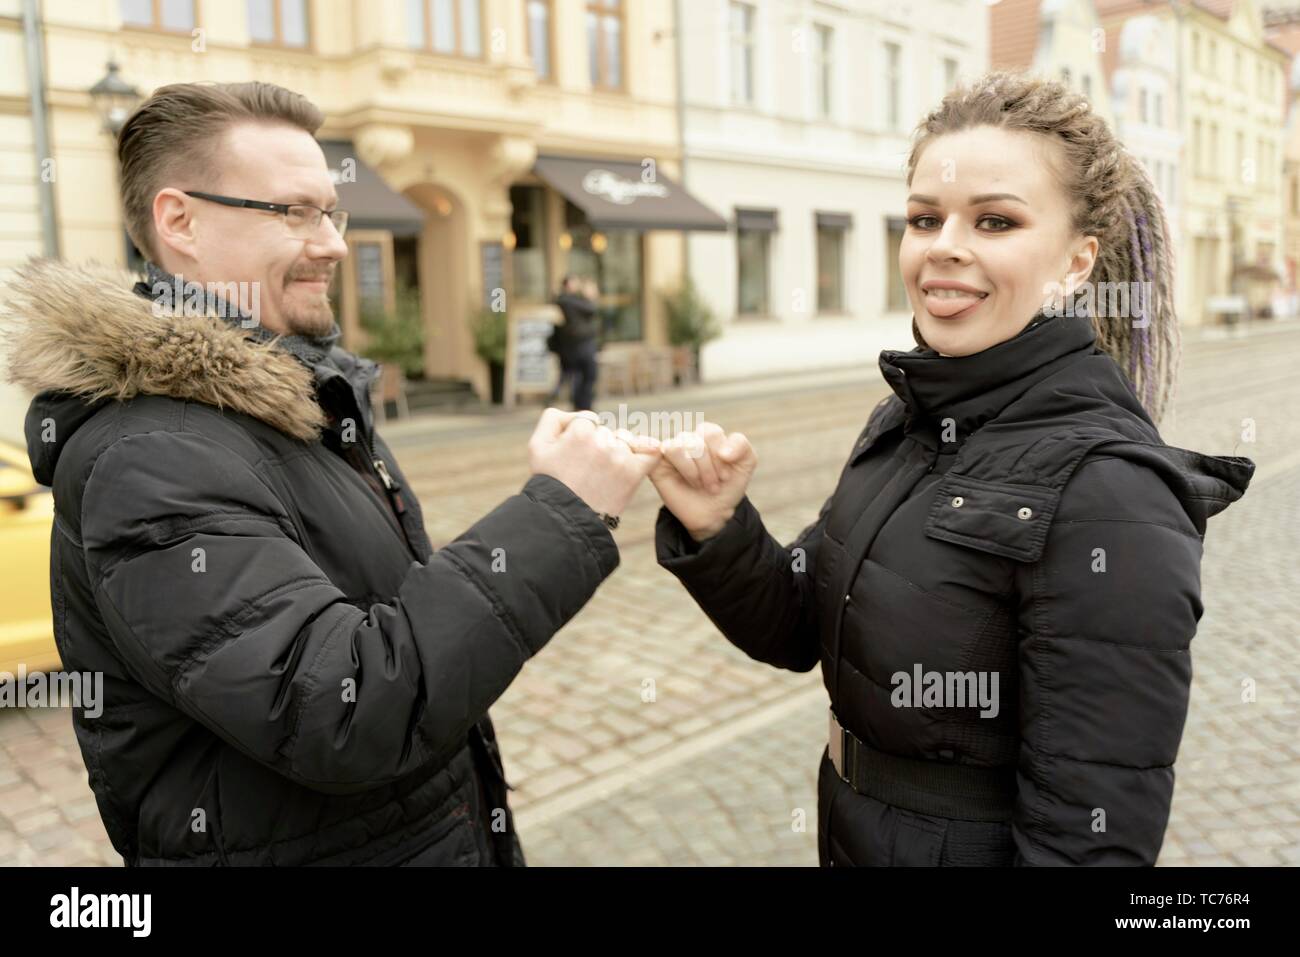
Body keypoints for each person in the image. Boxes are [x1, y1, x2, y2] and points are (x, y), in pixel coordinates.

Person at [0, 81, 659, 866]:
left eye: (330, 211)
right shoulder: (150, 453)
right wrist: (559, 513)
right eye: (293, 212)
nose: (334, 243)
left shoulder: (296, 395)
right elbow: (339, 709)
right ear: (180, 221)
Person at [647, 72, 1255, 866]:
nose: (944, 247)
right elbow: (801, 624)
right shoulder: (909, 418)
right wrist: (720, 524)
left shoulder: (1114, 491)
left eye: (995, 220)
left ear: (1078, 260)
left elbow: (1090, 838)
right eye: (924, 218)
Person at [551, 274, 601, 411]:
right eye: (574, 282)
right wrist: (589, 297)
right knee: (582, 377)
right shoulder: (566, 300)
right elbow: (590, 309)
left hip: (582, 345)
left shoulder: (572, 300)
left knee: (585, 378)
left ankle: (583, 406)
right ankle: (581, 407)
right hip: (577, 347)